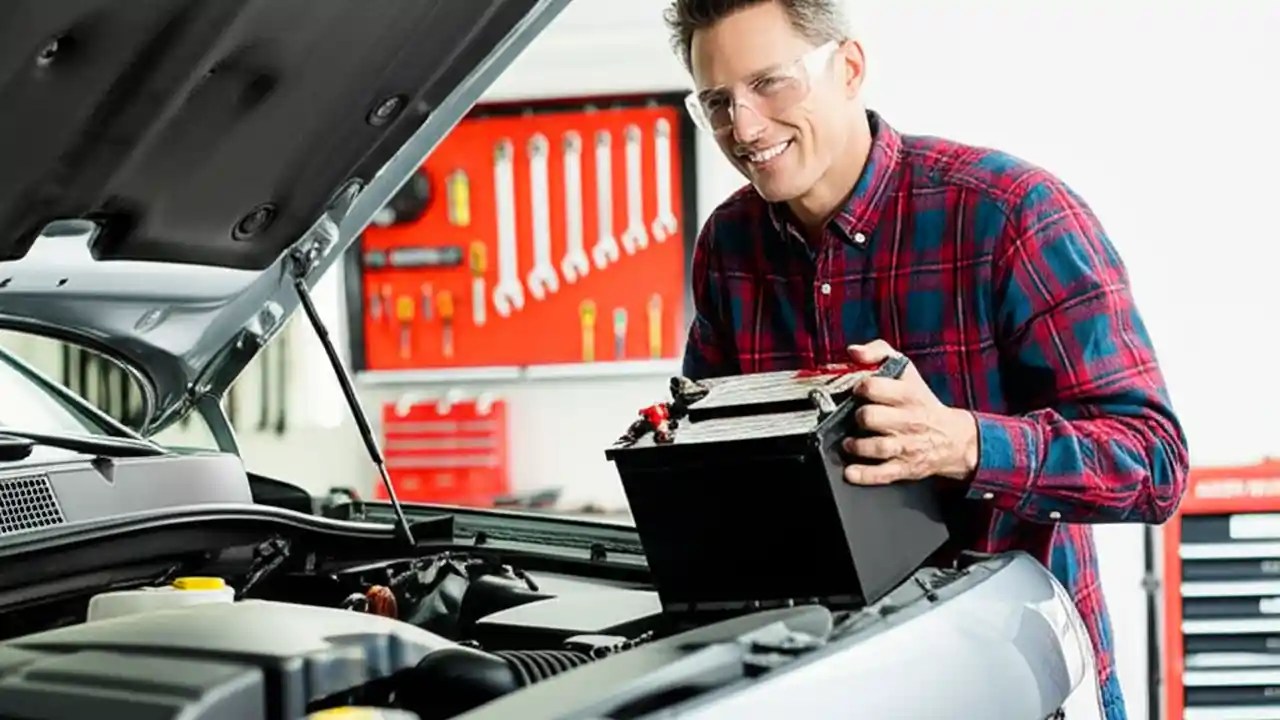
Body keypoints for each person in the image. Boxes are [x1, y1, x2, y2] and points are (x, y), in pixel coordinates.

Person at [661, 1, 1190, 717]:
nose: (745, 128)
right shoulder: (728, 247)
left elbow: (1153, 464)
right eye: (718, 102)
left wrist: (964, 442)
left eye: (771, 83)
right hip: (825, 690)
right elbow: (710, 464)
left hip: (1019, 684)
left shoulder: (1012, 215)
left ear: (848, 69)